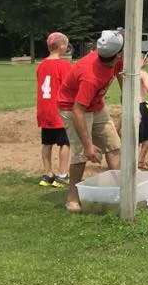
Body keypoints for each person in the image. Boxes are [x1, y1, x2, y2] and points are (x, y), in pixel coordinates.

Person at [57, 30, 125, 213]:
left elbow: (121, 77)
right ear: (118, 54)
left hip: (96, 104)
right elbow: (78, 111)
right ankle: (72, 198)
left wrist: (128, 105)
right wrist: (88, 146)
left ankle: (121, 191)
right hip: (72, 106)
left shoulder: (113, 58)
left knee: (114, 145)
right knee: (80, 154)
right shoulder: (90, 76)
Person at [35, 32, 72, 187]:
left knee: (47, 143)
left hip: (44, 109)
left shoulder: (41, 65)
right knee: (65, 143)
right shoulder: (64, 65)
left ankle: (47, 174)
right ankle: (62, 175)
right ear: (62, 46)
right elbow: (70, 86)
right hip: (59, 110)